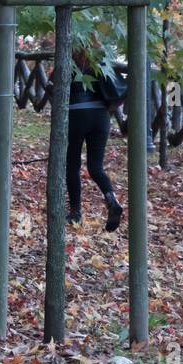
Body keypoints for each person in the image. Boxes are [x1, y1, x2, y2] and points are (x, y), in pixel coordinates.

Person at [67, 46, 123, 231]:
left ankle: (75, 212)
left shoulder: (70, 60)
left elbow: (52, 89)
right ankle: (111, 200)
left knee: (72, 165)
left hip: (76, 115)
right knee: (95, 167)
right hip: (101, 117)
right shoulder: (102, 60)